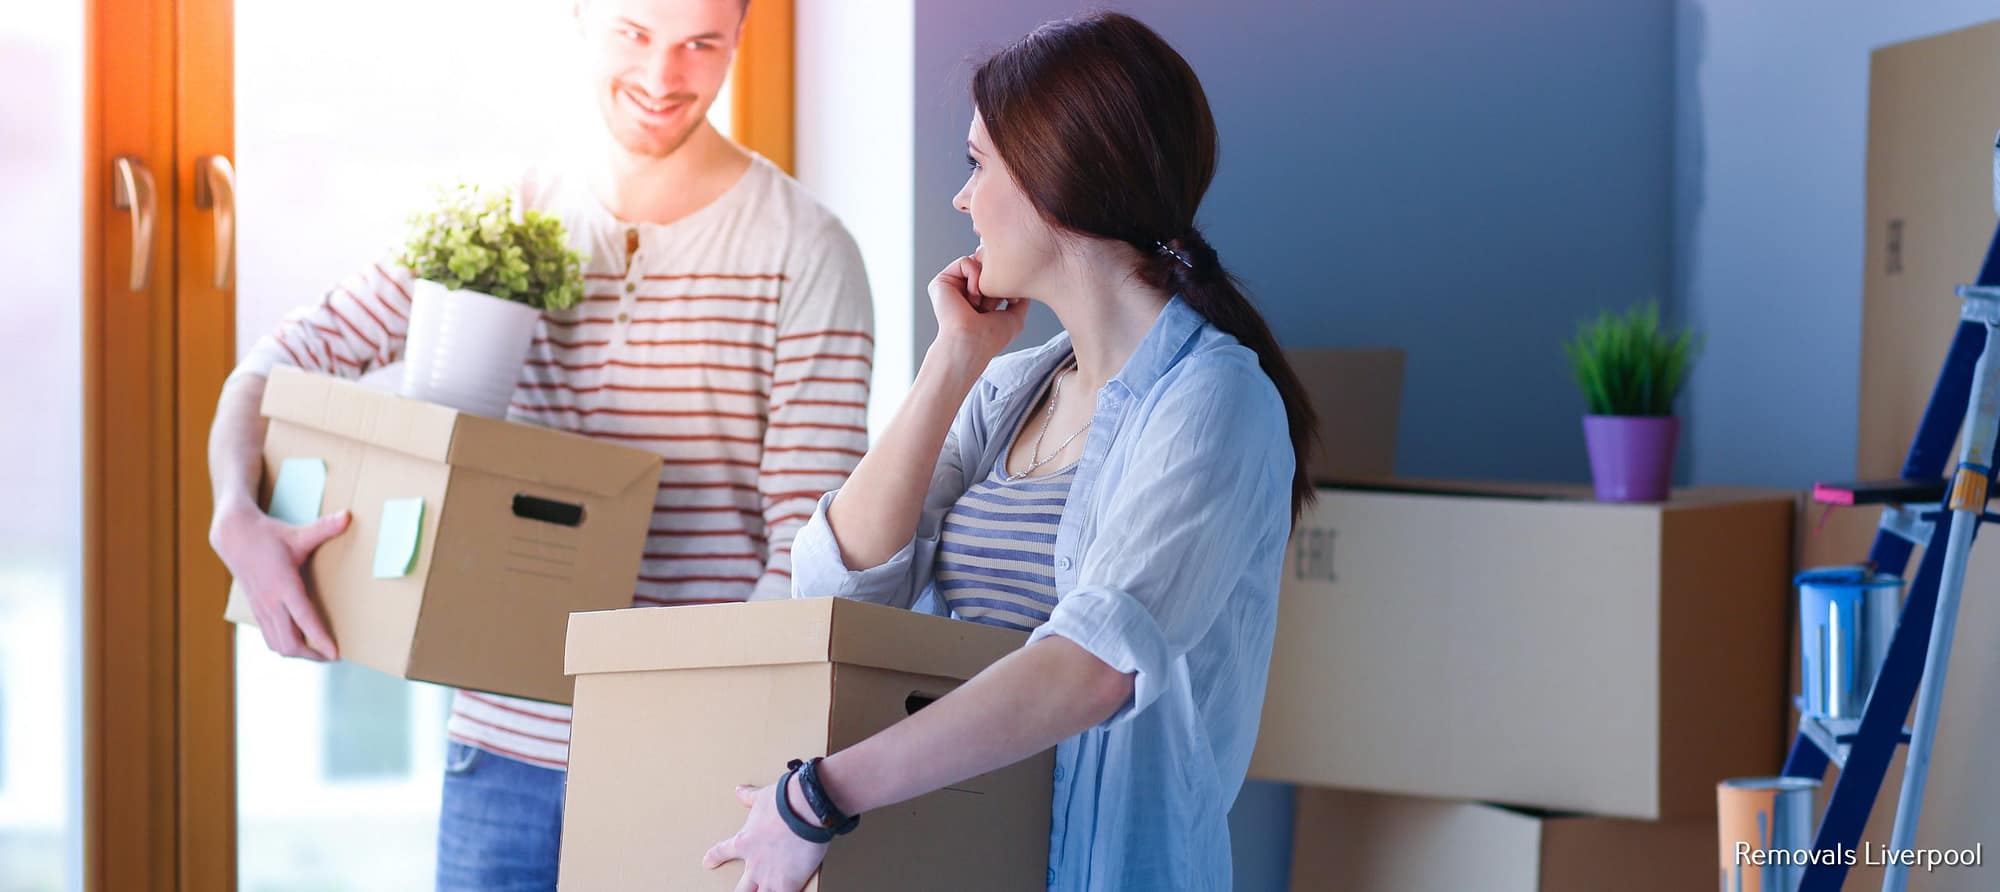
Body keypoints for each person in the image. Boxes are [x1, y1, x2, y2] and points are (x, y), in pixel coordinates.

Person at [204, 0, 872, 888]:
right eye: (635, 33)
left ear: (741, 39)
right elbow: (279, 364)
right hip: (499, 750)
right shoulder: (504, 217)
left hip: (684, 759)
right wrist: (236, 513)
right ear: (582, 18)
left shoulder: (807, 250)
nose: (663, 77)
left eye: (700, 44)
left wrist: (702, 727)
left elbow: (806, 548)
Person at [703, 10, 1317, 891]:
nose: (963, 199)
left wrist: (819, 799)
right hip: (954, 859)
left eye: (978, 164)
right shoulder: (1010, 388)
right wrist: (953, 360)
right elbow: (842, 587)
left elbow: (1091, 669)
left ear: (1055, 176)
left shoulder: (1214, 402)